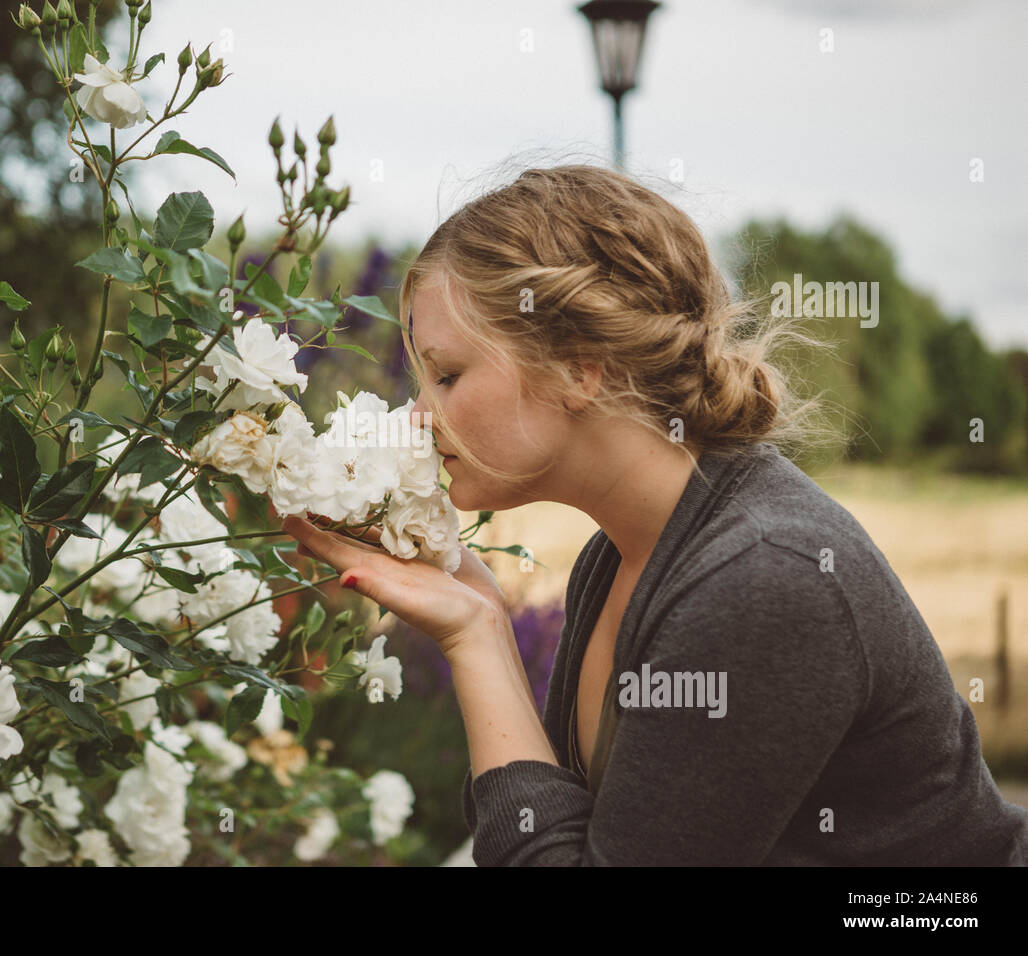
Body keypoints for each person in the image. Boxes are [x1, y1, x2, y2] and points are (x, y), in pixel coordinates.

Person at [281, 164, 1028, 866]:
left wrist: (475, 643)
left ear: (579, 366)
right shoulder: (623, 556)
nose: (418, 419)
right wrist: (480, 621)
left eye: (447, 375)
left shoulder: (765, 580)